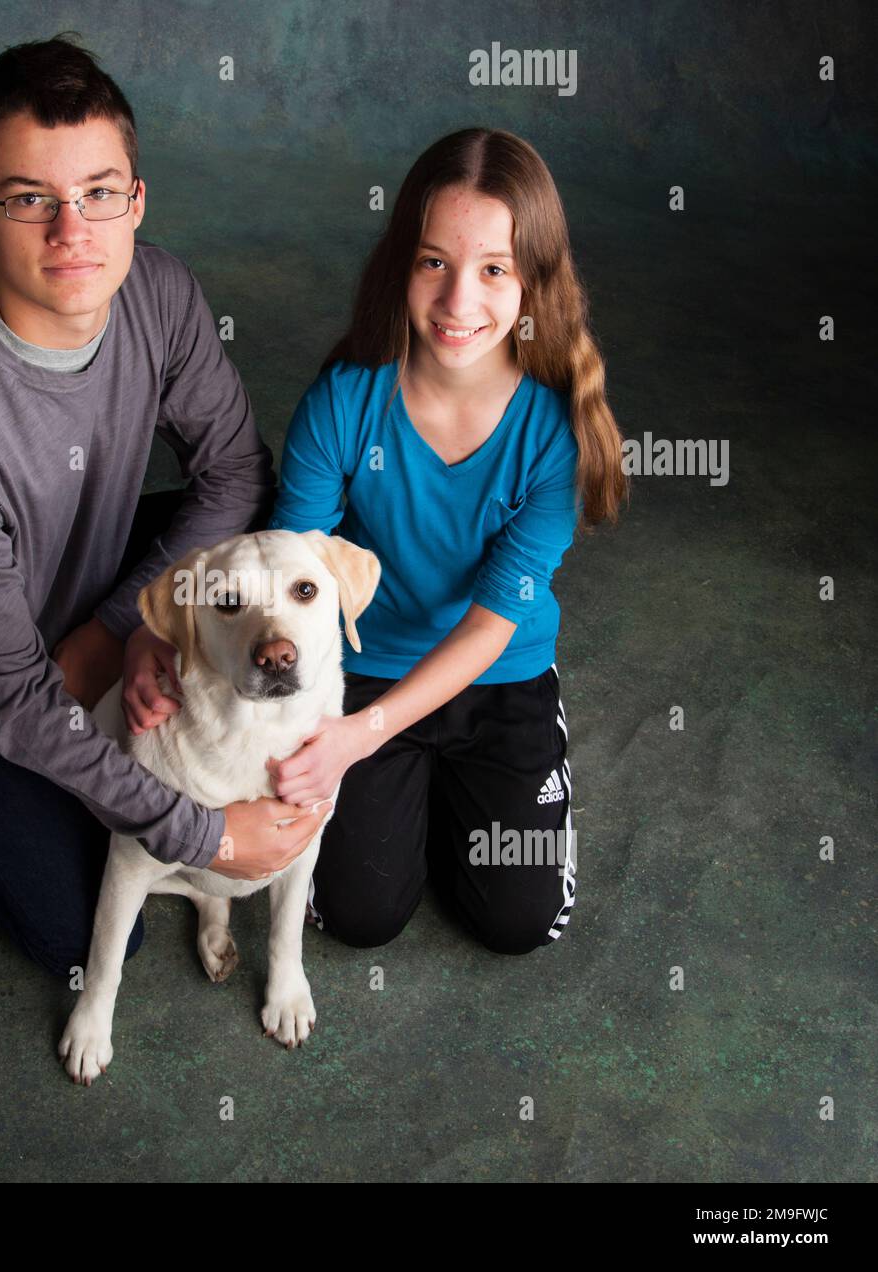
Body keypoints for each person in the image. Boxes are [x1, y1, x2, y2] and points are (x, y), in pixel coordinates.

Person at [0, 33, 330, 979]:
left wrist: (126, 624)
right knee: (88, 936)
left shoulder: (163, 291)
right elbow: (12, 699)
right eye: (30, 200)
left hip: (84, 572)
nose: (73, 232)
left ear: (136, 200)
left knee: (258, 557)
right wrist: (209, 837)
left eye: (100, 193)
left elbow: (230, 471)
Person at [258, 128, 628, 954]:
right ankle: (399, 804)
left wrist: (364, 740)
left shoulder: (553, 430)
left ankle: (451, 787)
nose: (460, 302)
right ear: (402, 264)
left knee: (520, 920)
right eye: (435, 262)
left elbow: (496, 619)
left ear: (536, 281)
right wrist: (328, 722)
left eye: (494, 269)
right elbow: (293, 570)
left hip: (497, 671)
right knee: (358, 914)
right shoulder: (345, 400)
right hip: (363, 665)